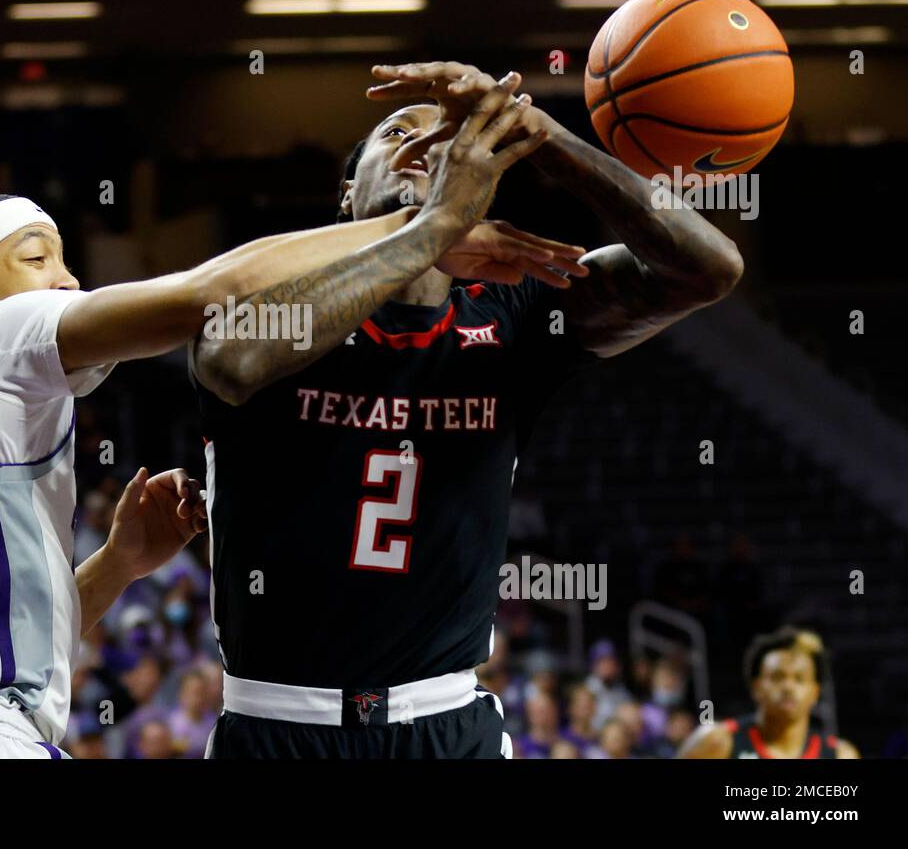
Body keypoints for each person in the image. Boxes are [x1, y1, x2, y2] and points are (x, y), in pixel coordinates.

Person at [0, 120, 538, 759]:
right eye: (38, 259)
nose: (69, 282)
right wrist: (427, 226)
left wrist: (118, 563)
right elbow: (210, 294)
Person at [192, 61, 743, 758]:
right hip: (280, 723)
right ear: (345, 196)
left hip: (449, 722)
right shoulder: (272, 294)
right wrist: (430, 229)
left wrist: (542, 136)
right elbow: (229, 361)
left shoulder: (516, 315)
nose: (423, 147)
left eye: (449, 141)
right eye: (398, 131)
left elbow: (708, 268)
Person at [678, 626, 858, 759]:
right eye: (777, 677)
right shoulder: (717, 742)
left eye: (800, 679)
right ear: (756, 687)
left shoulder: (840, 755)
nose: (788, 687)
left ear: (815, 692)